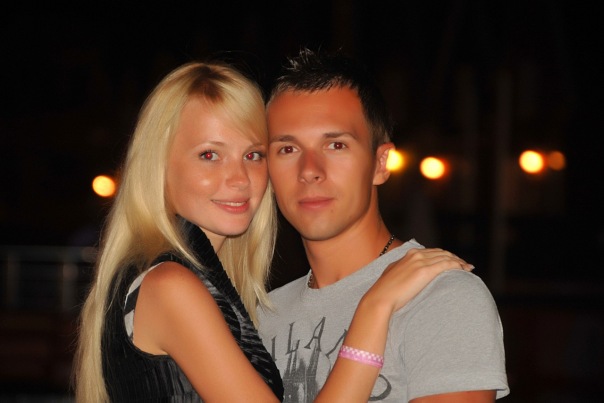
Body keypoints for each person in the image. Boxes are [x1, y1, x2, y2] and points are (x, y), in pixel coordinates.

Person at [73, 60, 473, 402]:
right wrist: (375, 308)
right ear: (159, 167)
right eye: (209, 155)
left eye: (253, 154)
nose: (239, 178)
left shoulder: (229, 298)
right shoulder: (169, 285)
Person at [257, 48, 510, 402]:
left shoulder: (441, 297)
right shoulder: (262, 316)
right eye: (288, 149)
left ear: (380, 163)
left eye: (335, 145)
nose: (310, 170)